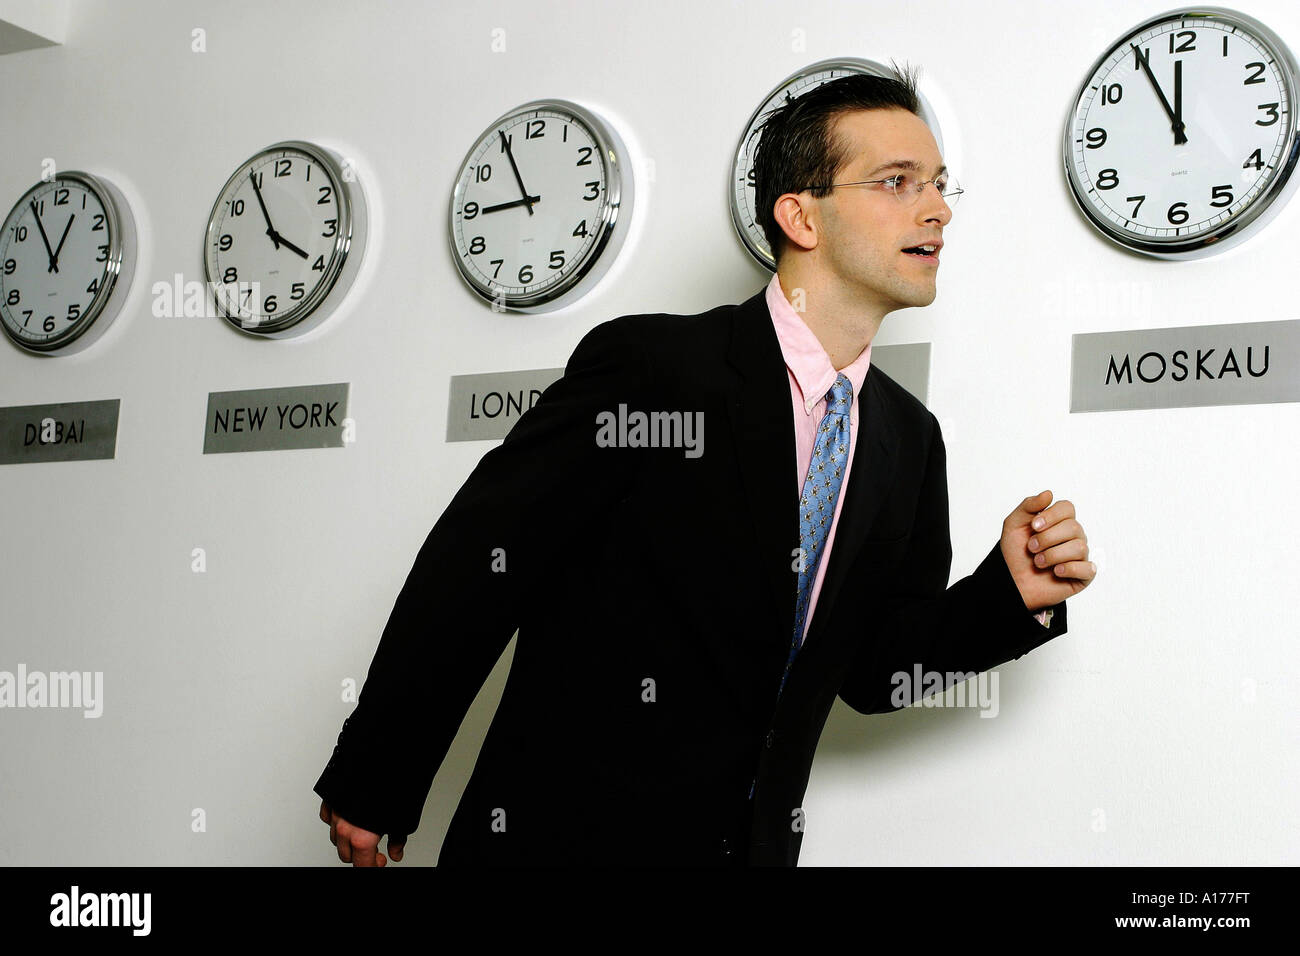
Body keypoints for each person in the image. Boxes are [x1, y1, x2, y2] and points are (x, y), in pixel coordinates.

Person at [315, 63, 1095, 867]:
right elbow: (479, 565)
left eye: (938, 185)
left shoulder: (908, 438)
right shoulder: (654, 367)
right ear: (801, 216)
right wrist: (380, 775)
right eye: (897, 182)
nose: (936, 209)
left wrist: (1006, 597)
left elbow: (867, 670)